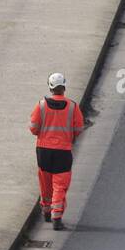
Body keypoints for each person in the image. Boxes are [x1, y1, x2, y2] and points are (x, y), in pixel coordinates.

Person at [28, 72, 85, 231]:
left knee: (45, 182)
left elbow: (33, 128)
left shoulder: (41, 105)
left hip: (43, 150)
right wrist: (68, 136)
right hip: (63, 151)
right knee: (60, 184)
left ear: (50, 87)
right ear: (64, 87)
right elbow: (79, 128)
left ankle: (46, 211)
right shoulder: (73, 106)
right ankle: (56, 216)